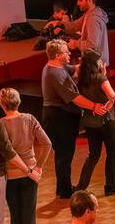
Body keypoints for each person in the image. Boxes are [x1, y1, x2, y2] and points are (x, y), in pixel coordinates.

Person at [41, 40, 110, 200]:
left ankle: (63, 188)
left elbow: (77, 70)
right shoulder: (55, 74)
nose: (69, 54)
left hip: (62, 116)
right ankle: (65, 191)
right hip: (59, 117)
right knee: (64, 155)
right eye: (66, 52)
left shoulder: (58, 67)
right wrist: (94, 106)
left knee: (65, 154)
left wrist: (92, 62)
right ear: (58, 55)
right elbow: (75, 98)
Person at [0, 88, 52, 224]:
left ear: (1, 104)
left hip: (9, 176)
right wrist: (38, 167)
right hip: (30, 174)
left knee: (15, 215)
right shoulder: (29, 119)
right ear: (18, 101)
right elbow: (47, 143)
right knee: (29, 215)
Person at [74, 49, 115, 194]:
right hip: (105, 121)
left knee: (93, 155)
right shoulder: (100, 79)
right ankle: (111, 186)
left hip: (90, 122)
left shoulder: (82, 80)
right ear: (95, 63)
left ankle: (81, 186)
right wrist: (107, 108)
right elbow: (112, 95)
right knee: (112, 153)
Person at [61, 0, 110, 65]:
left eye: (80, 0)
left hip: (95, 66)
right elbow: (74, 26)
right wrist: (61, 23)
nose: (77, 3)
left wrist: (76, 43)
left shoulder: (93, 19)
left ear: (90, 1)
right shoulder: (89, 14)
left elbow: (92, 45)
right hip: (94, 63)